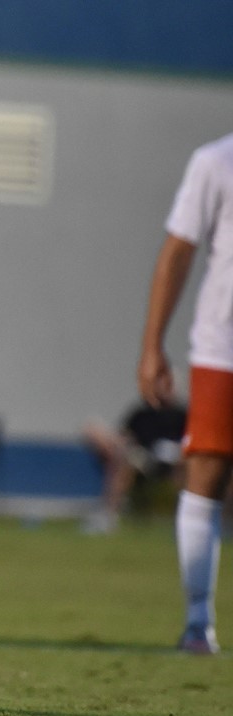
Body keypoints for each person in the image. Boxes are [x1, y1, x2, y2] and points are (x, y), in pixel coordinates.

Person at [138, 131, 233, 655]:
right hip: (225, 347)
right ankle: (199, 623)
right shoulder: (217, 161)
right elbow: (178, 251)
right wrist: (153, 345)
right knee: (208, 471)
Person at [81, 399, 187, 535]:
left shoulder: (180, 415)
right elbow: (125, 437)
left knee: (186, 468)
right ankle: (108, 517)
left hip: (173, 463)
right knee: (125, 464)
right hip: (144, 459)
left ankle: (189, 519)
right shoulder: (141, 414)